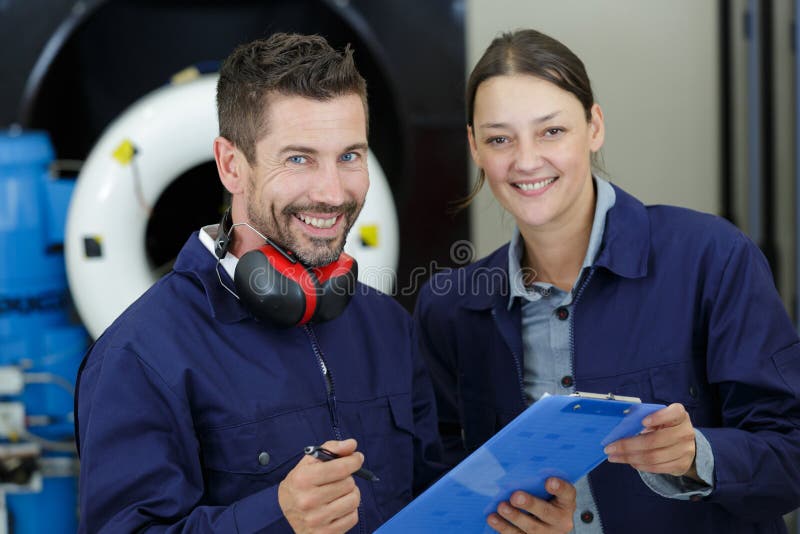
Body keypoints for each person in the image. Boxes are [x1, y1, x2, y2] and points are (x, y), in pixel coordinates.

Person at [414, 29, 800, 534]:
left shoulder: (713, 259)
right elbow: (445, 490)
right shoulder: (450, 309)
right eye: (499, 138)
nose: (526, 160)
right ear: (474, 147)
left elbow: (791, 452)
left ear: (594, 126)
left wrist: (696, 455)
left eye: (551, 131)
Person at [74, 33, 447, 533]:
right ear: (231, 165)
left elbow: (433, 508)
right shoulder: (140, 355)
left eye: (349, 156)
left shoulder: (388, 328)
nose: (333, 192)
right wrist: (278, 517)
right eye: (298, 158)